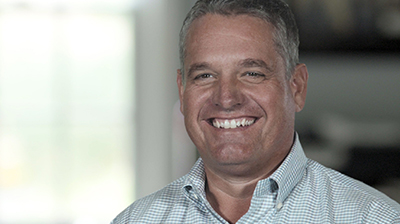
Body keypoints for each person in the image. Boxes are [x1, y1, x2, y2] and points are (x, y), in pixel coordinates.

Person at [111, 0, 400, 223]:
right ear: (182, 92)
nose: (226, 98)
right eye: (204, 76)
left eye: (252, 73)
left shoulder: (373, 218)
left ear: (296, 87)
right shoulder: (136, 219)